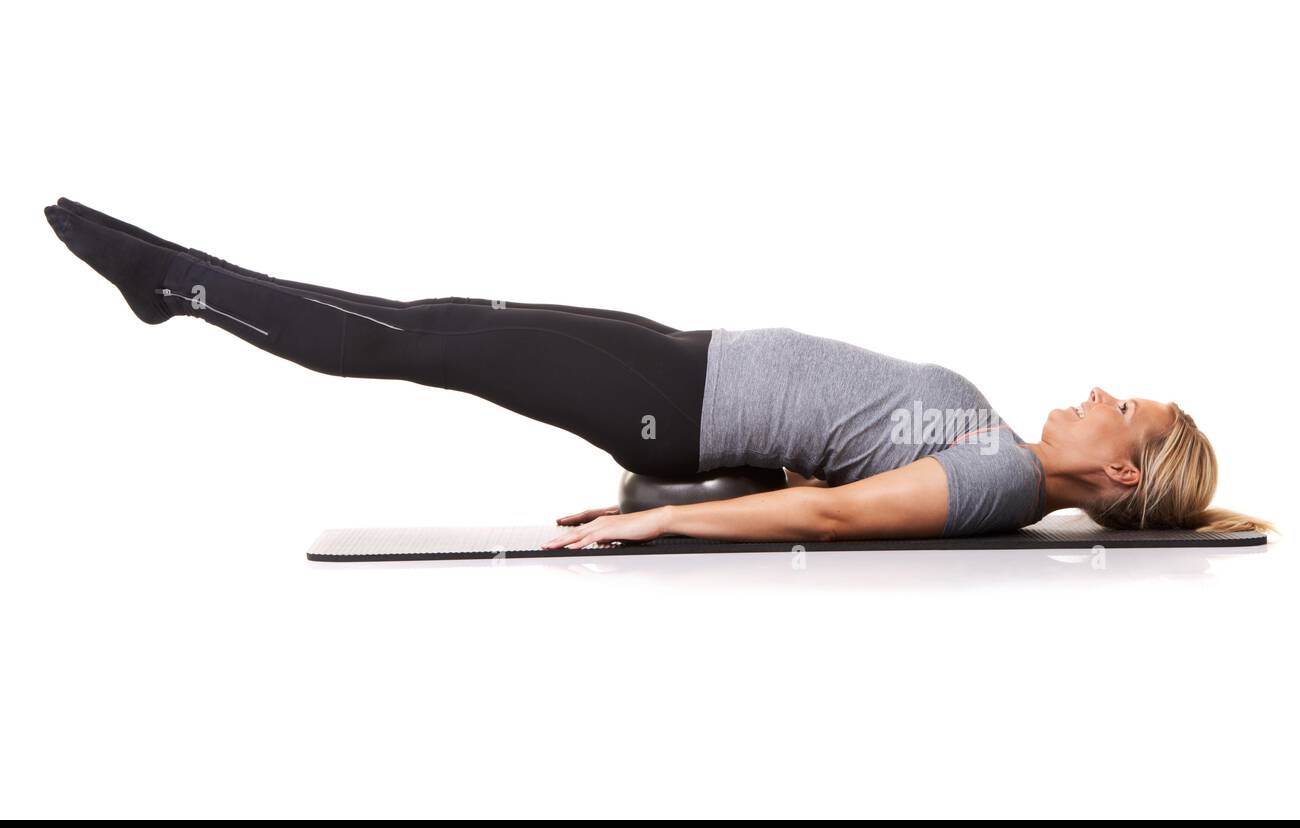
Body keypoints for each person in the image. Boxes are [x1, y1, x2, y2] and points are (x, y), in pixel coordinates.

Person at [44, 198, 1271, 550]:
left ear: (1119, 465)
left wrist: (659, 531)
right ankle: (180, 283)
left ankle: (178, 282)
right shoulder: (995, 453)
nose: (1103, 388)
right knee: (447, 318)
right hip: (683, 365)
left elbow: (839, 510)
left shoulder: (998, 477)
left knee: (411, 340)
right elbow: (841, 462)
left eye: (1127, 406)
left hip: (672, 399)